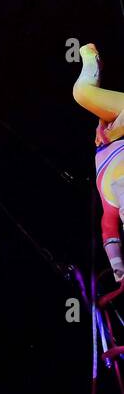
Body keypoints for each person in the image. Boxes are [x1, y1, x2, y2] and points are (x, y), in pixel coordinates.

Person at [72, 43, 124, 282]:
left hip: (111, 128)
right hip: (115, 128)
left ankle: (93, 61)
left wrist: (119, 272)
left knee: (81, 93)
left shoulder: (111, 208)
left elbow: (108, 236)